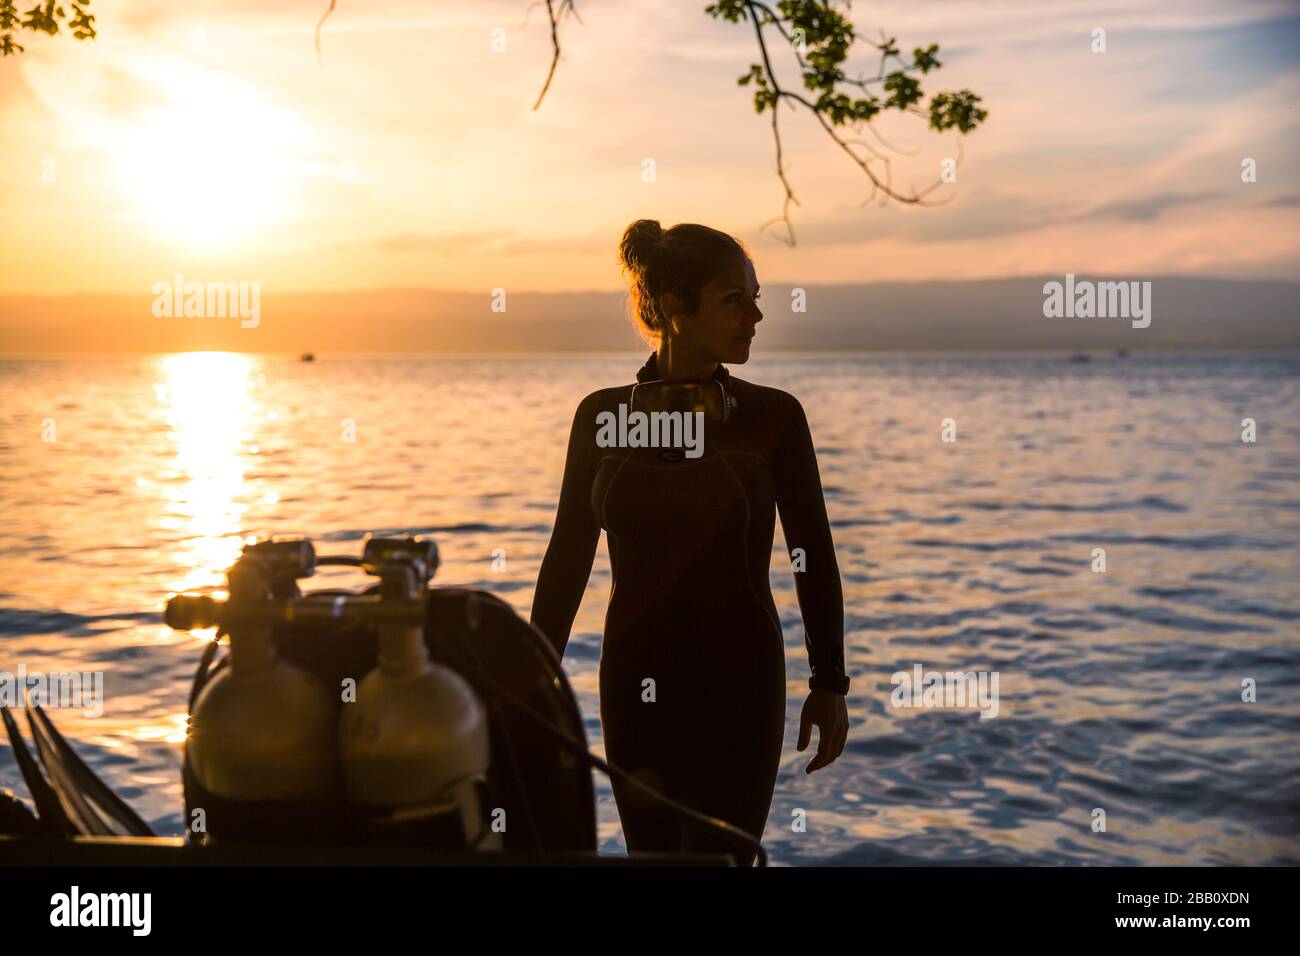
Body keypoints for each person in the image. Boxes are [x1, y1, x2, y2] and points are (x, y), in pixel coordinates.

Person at [530, 219, 849, 865]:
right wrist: (530, 680)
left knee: (723, 860)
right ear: (674, 306)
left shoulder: (771, 418)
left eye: (756, 297)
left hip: (742, 681)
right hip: (634, 681)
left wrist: (830, 682)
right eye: (735, 299)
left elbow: (810, 553)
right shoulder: (604, 417)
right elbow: (567, 557)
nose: (757, 316)